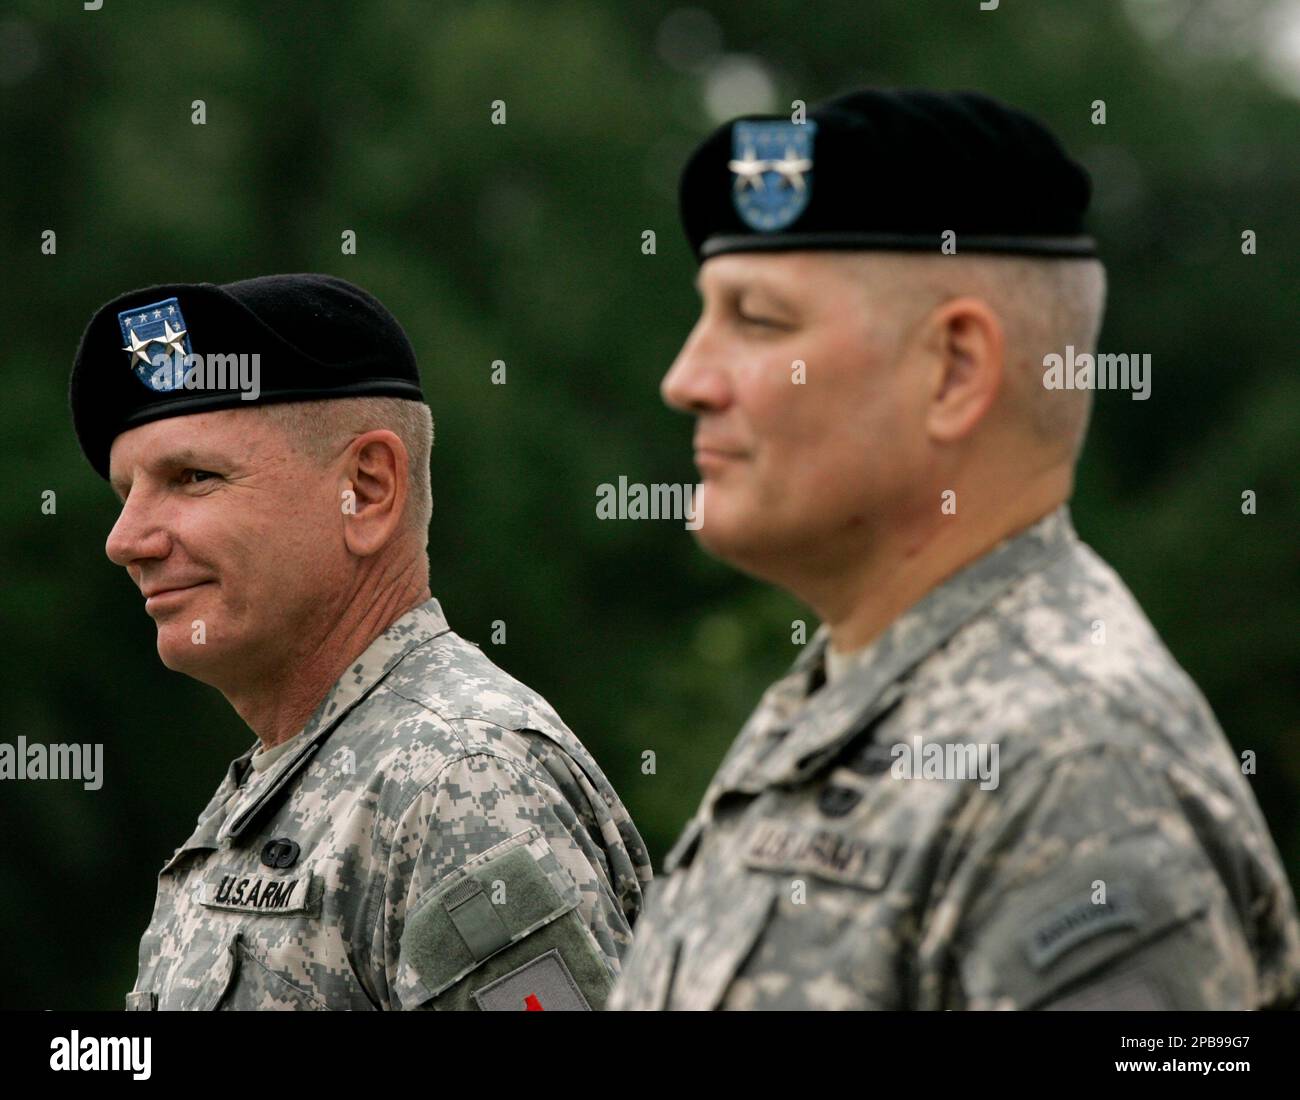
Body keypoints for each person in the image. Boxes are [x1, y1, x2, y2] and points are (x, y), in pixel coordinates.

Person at [608, 89, 1300, 1010]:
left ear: (956, 370)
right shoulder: (844, 710)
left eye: (759, 322)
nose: (686, 379)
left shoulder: (1077, 771)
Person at [70, 273, 650, 1010]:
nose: (126, 541)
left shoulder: (457, 781)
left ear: (368, 491)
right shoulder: (291, 783)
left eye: (192, 477)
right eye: (127, 494)